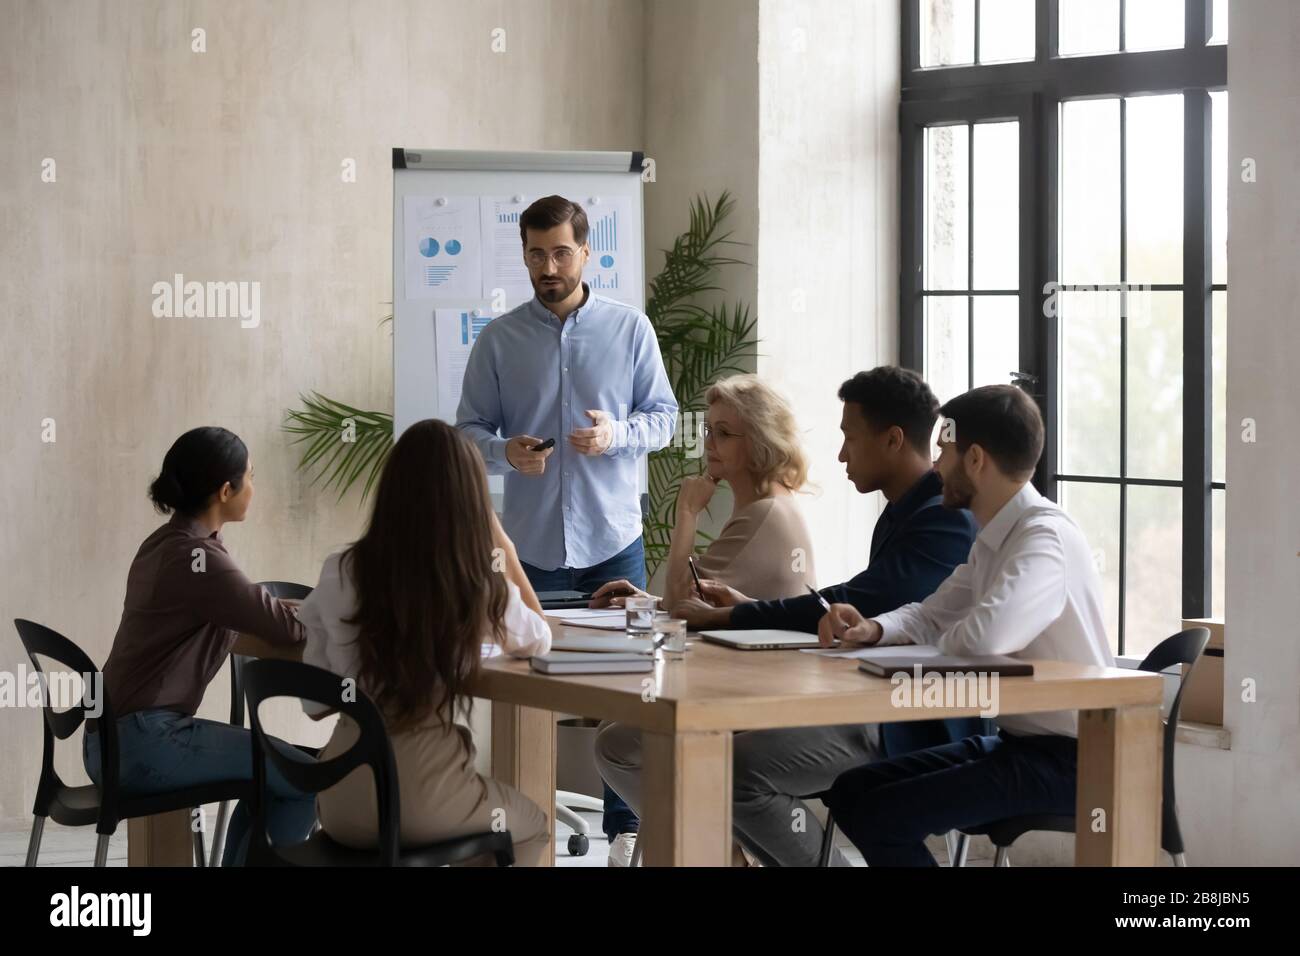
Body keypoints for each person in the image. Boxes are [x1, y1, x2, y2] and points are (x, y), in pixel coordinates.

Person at [604, 367, 979, 866]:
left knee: (735, 771)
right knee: (705, 760)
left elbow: (863, 599)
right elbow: (860, 605)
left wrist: (733, 615)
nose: (842, 454)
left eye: (850, 437)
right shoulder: (904, 511)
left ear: (892, 439)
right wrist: (743, 609)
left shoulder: (943, 516)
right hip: (872, 701)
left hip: (915, 720)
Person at [456, 194, 678, 864]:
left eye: (559, 251)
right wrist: (503, 454)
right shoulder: (498, 338)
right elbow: (466, 432)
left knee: (629, 692)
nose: (547, 265)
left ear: (586, 253)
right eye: (534, 253)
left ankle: (625, 831)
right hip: (530, 552)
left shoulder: (630, 329)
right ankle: (531, 827)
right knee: (526, 684)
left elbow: (666, 418)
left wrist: (617, 435)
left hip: (613, 542)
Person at [824, 384, 1115, 866]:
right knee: (853, 791)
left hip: (1077, 760)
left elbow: (985, 638)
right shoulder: (995, 536)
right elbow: (931, 612)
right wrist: (873, 629)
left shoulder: (1044, 539)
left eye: (944, 451)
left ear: (975, 459)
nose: (935, 466)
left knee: (882, 814)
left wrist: (940, 637)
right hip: (1020, 745)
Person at [298, 419, 553, 866]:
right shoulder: (473, 584)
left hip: (338, 799)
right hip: (420, 799)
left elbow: (314, 704)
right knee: (529, 824)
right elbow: (540, 637)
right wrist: (505, 550)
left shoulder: (340, 569)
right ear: (470, 503)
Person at [589, 373, 817, 863]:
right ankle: (714, 841)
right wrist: (645, 601)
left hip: (753, 704)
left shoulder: (764, 515)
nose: (709, 442)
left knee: (616, 743)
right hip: (738, 687)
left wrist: (687, 515)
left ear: (757, 442)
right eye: (708, 429)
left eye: (724, 433)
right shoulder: (763, 506)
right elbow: (699, 602)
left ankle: (709, 840)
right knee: (620, 732)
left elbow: (681, 609)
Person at [84, 427, 315, 866]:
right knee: (303, 776)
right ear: (226, 491)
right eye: (250, 476)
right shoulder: (200, 560)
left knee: (272, 777)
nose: (255, 486)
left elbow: (248, 603)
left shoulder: (170, 543)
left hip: (112, 741)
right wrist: (327, 608)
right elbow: (284, 627)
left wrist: (291, 607)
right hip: (144, 744)